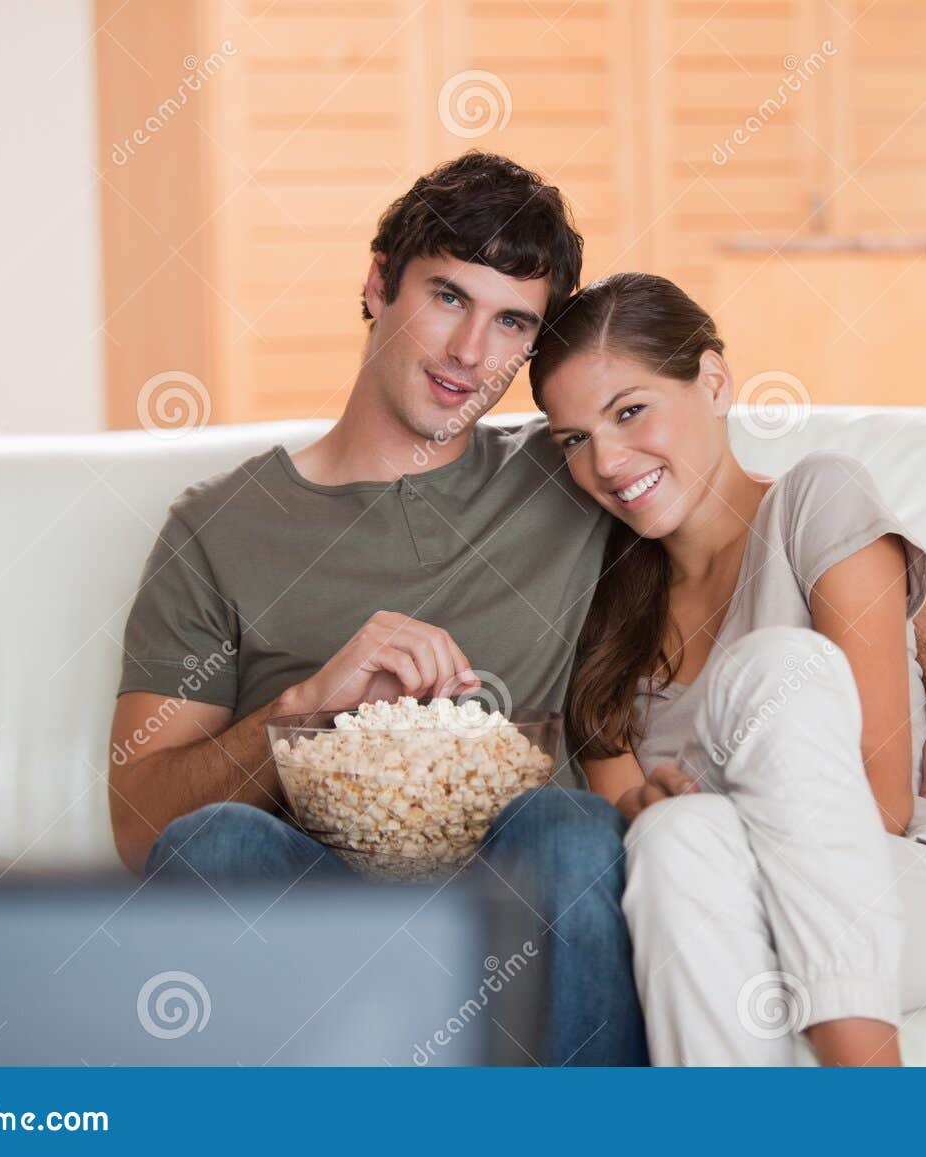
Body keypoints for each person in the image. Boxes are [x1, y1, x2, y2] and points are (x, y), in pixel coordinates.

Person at [107, 152, 642, 1066]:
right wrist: (304, 709)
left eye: (511, 322)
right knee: (215, 842)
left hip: (519, 917)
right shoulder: (218, 528)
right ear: (377, 284)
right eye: (447, 297)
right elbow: (140, 822)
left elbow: (768, 508)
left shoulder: (575, 472)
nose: (471, 354)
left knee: (571, 824)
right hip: (323, 936)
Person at [528, 272, 926, 1066]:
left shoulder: (815, 501)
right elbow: (636, 853)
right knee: (672, 841)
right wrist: (662, 815)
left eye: (630, 411)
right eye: (573, 439)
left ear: (714, 381)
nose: (608, 460)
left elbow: (876, 805)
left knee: (777, 671)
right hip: (723, 910)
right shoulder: (599, 618)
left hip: (912, 888)